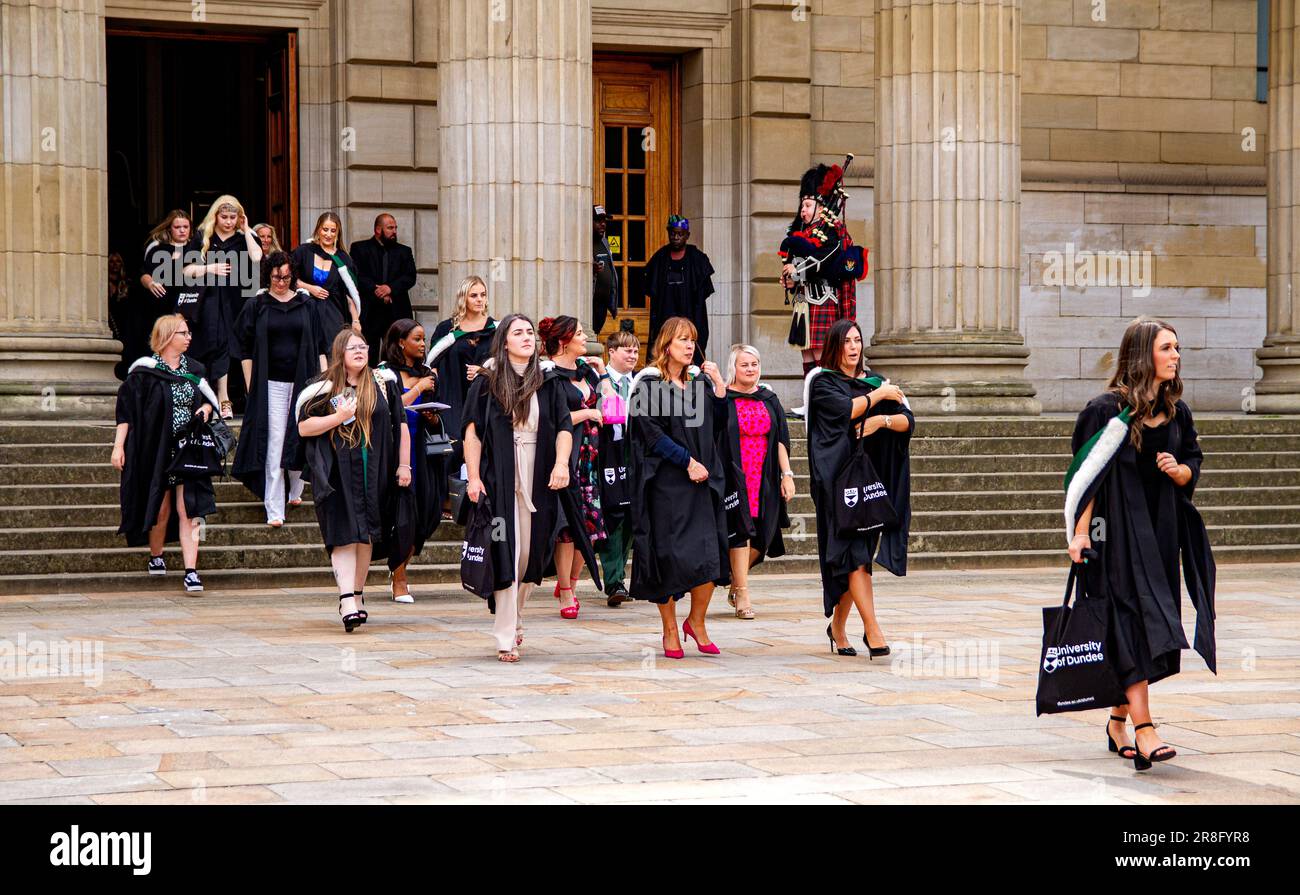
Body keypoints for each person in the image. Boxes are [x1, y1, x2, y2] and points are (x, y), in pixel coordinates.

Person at [1065, 318, 1216, 771]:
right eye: (1167, 348)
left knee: (1153, 625)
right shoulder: (1104, 411)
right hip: (1113, 537)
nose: (1175, 355)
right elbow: (1085, 478)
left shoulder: (1177, 411)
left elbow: (1193, 462)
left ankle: (1116, 720)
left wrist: (1179, 471)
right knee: (1129, 620)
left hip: (1160, 534)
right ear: (1143, 353)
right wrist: (1078, 533)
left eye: (1177, 348)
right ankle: (1145, 729)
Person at [462, 314, 601, 662]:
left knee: (530, 555)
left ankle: (516, 613)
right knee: (506, 548)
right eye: (517, 332)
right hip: (500, 476)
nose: (526, 337)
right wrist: (475, 477)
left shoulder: (548, 380)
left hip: (538, 474)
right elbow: (472, 432)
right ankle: (505, 634)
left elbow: (565, 427)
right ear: (504, 341)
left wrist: (560, 464)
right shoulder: (488, 381)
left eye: (529, 332)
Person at [805, 318, 913, 659]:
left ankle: (837, 628)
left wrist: (879, 421)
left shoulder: (873, 381)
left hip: (869, 483)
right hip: (837, 483)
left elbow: (908, 421)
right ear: (835, 346)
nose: (854, 347)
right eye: (848, 342)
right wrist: (878, 395)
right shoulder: (824, 384)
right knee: (853, 558)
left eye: (858, 340)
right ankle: (873, 630)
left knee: (859, 557)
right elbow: (843, 411)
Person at [296, 329, 412, 632]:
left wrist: (403, 464)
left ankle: (357, 596)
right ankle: (347, 599)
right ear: (340, 353)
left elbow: (400, 424)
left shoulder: (384, 383)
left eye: (363, 346)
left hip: (376, 470)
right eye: (352, 348)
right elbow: (304, 429)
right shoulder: (321, 388)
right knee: (344, 532)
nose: (360, 351)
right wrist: (338, 417)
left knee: (367, 535)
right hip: (337, 473)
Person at [628, 316, 729, 657]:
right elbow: (652, 436)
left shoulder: (699, 385)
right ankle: (670, 629)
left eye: (693, 340)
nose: (689, 346)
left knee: (710, 557)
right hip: (667, 484)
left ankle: (696, 621)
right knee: (668, 557)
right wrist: (687, 462)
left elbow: (718, 427)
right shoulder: (649, 386)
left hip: (703, 483)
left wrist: (719, 387)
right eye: (683, 340)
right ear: (666, 344)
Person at [112, 313, 218, 595]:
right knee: (161, 506)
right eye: (183, 333)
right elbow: (127, 413)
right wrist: (118, 446)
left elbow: (209, 402)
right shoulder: (144, 373)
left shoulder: (195, 369)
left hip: (189, 449)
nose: (189, 337)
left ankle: (191, 571)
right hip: (155, 447)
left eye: (188, 333)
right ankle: (156, 555)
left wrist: (206, 410)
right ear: (168, 337)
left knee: (191, 509)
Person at [231, 251, 328, 526]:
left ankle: (296, 488)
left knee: (299, 433)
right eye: (276, 277)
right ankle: (274, 507)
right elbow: (244, 347)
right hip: (270, 383)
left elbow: (321, 345)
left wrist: (322, 383)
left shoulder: (307, 305)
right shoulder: (258, 304)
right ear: (268, 276)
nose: (282, 282)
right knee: (274, 441)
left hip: (304, 382)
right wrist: (251, 385)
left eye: (286, 277)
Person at [539, 315, 613, 619]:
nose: (586, 338)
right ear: (564, 340)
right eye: (581, 333)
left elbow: (611, 404)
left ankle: (568, 579)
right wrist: (587, 414)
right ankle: (567, 590)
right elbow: (551, 420)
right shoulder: (547, 376)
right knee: (567, 526)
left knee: (591, 525)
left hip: (592, 457)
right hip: (565, 457)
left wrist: (604, 373)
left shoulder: (587, 372)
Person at [720, 344, 795, 620]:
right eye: (744, 365)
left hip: (764, 477)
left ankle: (734, 577)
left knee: (763, 537)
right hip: (736, 477)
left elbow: (781, 441)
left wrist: (787, 475)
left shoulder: (769, 398)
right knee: (740, 533)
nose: (750, 369)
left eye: (754, 364)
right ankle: (742, 593)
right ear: (734, 368)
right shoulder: (724, 399)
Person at [378, 318, 446, 603]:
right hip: (395, 453)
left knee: (423, 513)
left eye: (423, 339)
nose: (422, 344)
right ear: (400, 342)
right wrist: (418, 389)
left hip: (423, 452)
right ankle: (400, 576)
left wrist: (432, 417)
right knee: (400, 516)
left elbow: (434, 413)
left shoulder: (428, 373)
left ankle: (402, 565)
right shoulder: (384, 374)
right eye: (417, 339)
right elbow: (389, 408)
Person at [779, 163, 867, 381]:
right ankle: (810, 400)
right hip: (803, 299)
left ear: (821, 207)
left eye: (808, 205)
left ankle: (822, 398)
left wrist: (797, 270)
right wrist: (791, 280)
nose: (803, 210)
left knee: (821, 355)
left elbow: (826, 261)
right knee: (806, 352)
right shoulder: (803, 232)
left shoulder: (833, 231)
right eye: (802, 205)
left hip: (823, 299)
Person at [183, 195, 264, 418]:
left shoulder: (243, 238)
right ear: (215, 216)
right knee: (214, 343)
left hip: (236, 298)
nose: (228, 221)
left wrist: (247, 229)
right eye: (224, 217)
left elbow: (257, 257)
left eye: (233, 217)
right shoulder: (203, 236)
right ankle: (219, 398)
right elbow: (186, 271)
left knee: (232, 345)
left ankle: (225, 398)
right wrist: (210, 268)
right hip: (209, 299)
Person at [428, 275, 496, 479]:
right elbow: (432, 364)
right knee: (451, 449)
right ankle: (447, 506)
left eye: (483, 295)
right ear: (463, 298)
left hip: (485, 399)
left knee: (485, 449)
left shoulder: (497, 329)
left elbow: (507, 366)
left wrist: (484, 372)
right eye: (473, 295)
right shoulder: (447, 329)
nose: (479, 299)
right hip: (452, 397)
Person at [596, 326, 638, 606]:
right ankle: (613, 580)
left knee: (632, 517)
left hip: (633, 455)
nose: (633, 355)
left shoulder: (640, 382)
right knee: (613, 515)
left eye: (636, 350)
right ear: (611, 352)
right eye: (627, 350)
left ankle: (619, 575)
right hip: (606, 454)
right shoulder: (599, 380)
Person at [644, 215, 714, 365]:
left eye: (680, 234)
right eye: (672, 233)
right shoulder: (659, 259)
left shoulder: (698, 259)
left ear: (687, 235)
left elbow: (703, 293)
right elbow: (652, 290)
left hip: (692, 317)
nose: (676, 237)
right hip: (664, 318)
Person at [351, 213, 418, 366]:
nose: (394, 231)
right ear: (378, 230)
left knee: (397, 355)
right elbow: (357, 276)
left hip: (396, 312)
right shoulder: (359, 249)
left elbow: (410, 277)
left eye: (395, 228)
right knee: (369, 354)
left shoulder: (404, 251)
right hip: (370, 312)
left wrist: (390, 289)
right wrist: (379, 292)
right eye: (390, 228)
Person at [292, 211, 362, 339]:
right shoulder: (304, 251)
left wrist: (356, 320)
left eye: (333, 231)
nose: (329, 234)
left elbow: (349, 294)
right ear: (318, 229)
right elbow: (288, 278)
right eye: (325, 229)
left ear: (338, 233)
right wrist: (309, 288)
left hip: (333, 317)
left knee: (333, 354)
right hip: (305, 312)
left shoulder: (343, 259)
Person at [140, 209, 199, 321]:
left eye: (186, 227)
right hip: (162, 305)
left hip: (189, 305)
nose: (182, 230)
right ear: (169, 228)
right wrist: (151, 283)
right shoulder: (158, 248)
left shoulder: (197, 249)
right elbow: (144, 274)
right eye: (177, 227)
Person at [592, 205, 619, 334]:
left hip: (602, 304)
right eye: (598, 221)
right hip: (590, 303)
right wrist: (590, 269)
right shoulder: (583, 243)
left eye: (604, 221)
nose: (603, 225)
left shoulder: (605, 242)